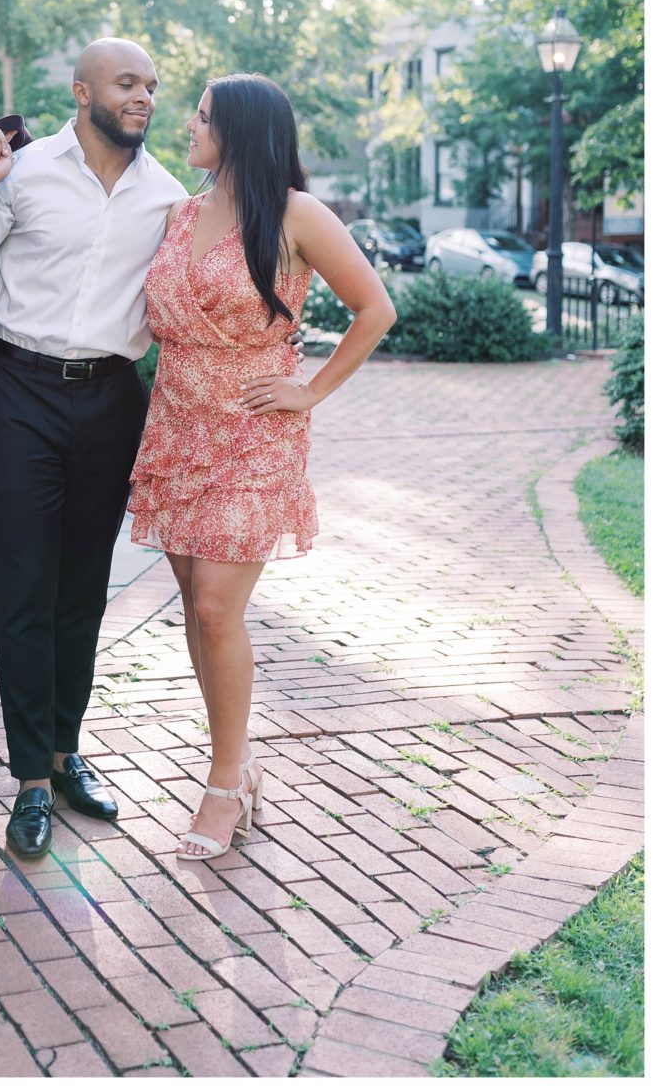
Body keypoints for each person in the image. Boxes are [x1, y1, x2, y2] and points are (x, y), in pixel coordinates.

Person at [128, 72, 396, 860]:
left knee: (217, 606)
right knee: (195, 602)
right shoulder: (179, 214)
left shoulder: (295, 214)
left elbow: (375, 309)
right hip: (178, 427)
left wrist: (309, 390)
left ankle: (222, 783)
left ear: (241, 131)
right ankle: (239, 765)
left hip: (254, 431)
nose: (188, 126)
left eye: (203, 117)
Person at [0, 38, 188, 860]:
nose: (144, 97)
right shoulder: (26, 171)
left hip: (113, 397)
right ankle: (29, 782)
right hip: (20, 392)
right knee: (27, 589)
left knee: (82, 590)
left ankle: (66, 753)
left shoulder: (169, 197)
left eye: (152, 86)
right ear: (82, 91)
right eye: (127, 83)